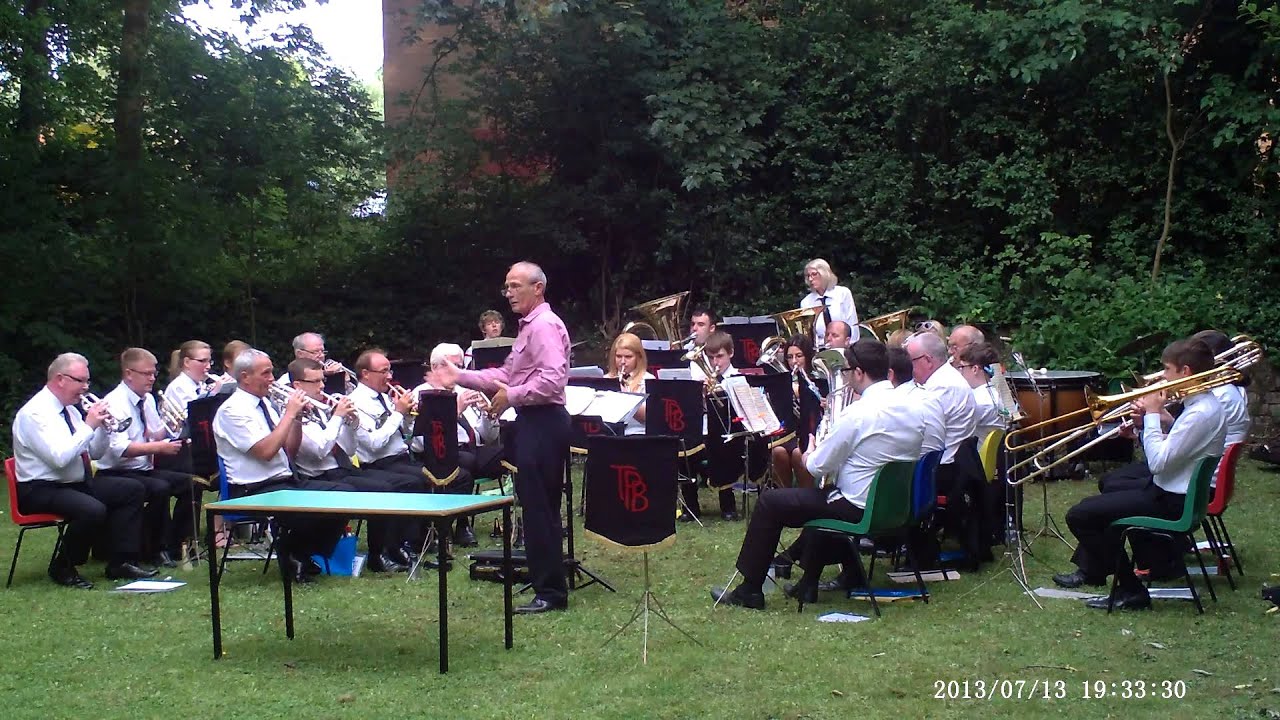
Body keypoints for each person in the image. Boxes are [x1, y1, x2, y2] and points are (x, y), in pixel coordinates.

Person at [711, 340, 924, 609]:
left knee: (770, 503)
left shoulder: (859, 413)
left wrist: (812, 448)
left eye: (846, 371)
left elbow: (816, 467)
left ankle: (750, 589)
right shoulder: (914, 408)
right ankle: (811, 583)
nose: (846, 377)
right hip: (893, 508)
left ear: (859, 373)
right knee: (821, 498)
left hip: (857, 508)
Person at [437, 261, 572, 614]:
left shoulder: (543, 326)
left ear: (538, 287)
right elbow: (508, 372)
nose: (509, 292)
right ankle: (547, 583)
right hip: (534, 421)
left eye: (515, 286)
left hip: (543, 421)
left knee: (541, 510)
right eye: (506, 287)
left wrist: (510, 396)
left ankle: (551, 593)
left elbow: (552, 381)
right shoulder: (529, 327)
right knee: (536, 507)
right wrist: (460, 375)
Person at [1054, 338, 1226, 610]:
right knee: (1105, 496)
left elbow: (1158, 462)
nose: (1161, 378)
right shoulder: (1202, 405)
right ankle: (1104, 575)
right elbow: (1176, 448)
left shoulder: (1201, 412)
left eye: (1167, 370)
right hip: (1169, 490)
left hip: (1171, 500)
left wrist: (1152, 415)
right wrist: (1146, 426)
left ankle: (1130, 590)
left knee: (1080, 515)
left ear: (1186, 372)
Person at [12, 353, 154, 587]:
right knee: (92, 509)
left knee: (132, 489)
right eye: (80, 381)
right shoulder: (35, 414)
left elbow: (94, 453)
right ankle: (63, 566)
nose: (85, 388)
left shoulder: (70, 410)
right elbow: (60, 458)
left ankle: (121, 561)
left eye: (87, 381)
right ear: (60, 379)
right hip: (40, 488)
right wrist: (89, 425)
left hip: (74, 483)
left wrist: (105, 430)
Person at [212, 348, 354, 583]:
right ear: (245, 376)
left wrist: (297, 419)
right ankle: (295, 553)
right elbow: (266, 452)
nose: (271, 379)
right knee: (311, 509)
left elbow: (289, 449)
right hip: (253, 488)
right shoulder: (231, 411)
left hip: (283, 481)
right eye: (266, 373)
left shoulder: (265, 404)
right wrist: (289, 414)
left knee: (346, 495)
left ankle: (298, 551)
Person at [288, 358, 417, 571]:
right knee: (382, 490)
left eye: (322, 380)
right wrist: (338, 417)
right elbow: (320, 450)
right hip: (318, 475)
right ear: (297, 386)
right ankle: (378, 555)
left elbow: (347, 449)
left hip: (341, 469)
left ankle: (391, 548)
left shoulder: (322, 407)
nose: (322, 386)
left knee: (397, 485)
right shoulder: (295, 412)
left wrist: (350, 423)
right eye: (315, 382)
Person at [93, 348, 195, 568]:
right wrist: (159, 447)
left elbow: (154, 432)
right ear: (129, 374)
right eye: (146, 373)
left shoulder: (146, 399)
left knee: (189, 483)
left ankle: (177, 543)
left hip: (142, 469)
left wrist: (175, 429)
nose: (152, 378)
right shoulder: (115, 402)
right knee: (159, 488)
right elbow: (121, 449)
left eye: (154, 373)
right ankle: (155, 549)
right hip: (117, 471)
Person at [413, 343, 505, 547]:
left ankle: (524, 519)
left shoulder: (465, 389)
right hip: (437, 453)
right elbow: (420, 441)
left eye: (461, 366)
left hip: (471, 450)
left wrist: (489, 416)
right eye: (452, 366)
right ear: (435, 367)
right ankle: (460, 525)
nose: (458, 372)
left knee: (512, 451)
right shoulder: (422, 394)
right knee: (465, 463)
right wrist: (456, 410)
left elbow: (487, 437)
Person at [684, 330, 745, 522]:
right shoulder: (701, 380)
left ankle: (728, 505)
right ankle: (690, 506)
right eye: (710, 358)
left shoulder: (738, 378)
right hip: (702, 429)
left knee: (722, 449)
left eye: (720, 356)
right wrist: (699, 394)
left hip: (728, 432)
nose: (715, 362)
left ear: (731, 353)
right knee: (684, 449)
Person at [771, 335, 817, 489]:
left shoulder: (816, 379)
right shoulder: (785, 381)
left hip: (811, 432)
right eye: (789, 357)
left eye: (799, 356)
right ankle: (786, 495)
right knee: (778, 451)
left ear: (807, 356)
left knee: (798, 453)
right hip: (790, 433)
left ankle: (806, 495)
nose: (794, 362)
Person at [799, 259, 859, 348]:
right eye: (808, 276)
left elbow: (852, 323)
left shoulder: (843, 293)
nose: (810, 279)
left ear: (824, 274)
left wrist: (853, 347)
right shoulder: (806, 302)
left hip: (846, 347)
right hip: (821, 349)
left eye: (814, 274)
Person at [954, 342, 1005, 444]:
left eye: (962, 367)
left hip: (977, 457)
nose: (960, 372)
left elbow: (953, 429)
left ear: (975, 369)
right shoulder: (997, 392)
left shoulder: (978, 402)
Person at [604, 332, 653, 434]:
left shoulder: (648, 380)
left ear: (638, 358)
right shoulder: (606, 379)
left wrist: (627, 397)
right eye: (618, 356)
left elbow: (649, 418)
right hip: (610, 434)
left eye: (628, 357)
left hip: (638, 434)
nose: (622, 361)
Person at [165, 340, 227, 411]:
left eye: (209, 361)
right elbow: (193, 417)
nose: (208, 366)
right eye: (202, 361)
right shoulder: (178, 387)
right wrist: (214, 393)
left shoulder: (200, 385)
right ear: (187, 362)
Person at [686, 308, 719, 382]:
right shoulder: (684, 350)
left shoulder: (719, 351)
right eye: (692, 324)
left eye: (700, 325)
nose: (694, 328)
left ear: (711, 328)